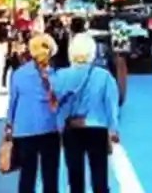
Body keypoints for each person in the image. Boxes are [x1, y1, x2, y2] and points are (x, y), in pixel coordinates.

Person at [53, 33, 120, 193]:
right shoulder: (104, 76)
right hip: (97, 129)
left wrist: (59, 127)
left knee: (75, 177)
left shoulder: (61, 76)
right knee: (99, 176)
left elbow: (56, 105)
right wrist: (113, 129)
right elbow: (111, 104)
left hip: (72, 129)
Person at [5, 34, 61, 193]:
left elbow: (13, 102)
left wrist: (9, 125)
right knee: (50, 177)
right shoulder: (55, 75)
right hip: (49, 129)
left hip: (24, 130)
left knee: (27, 176)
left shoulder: (18, 74)